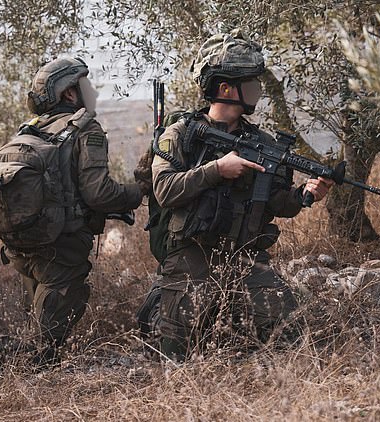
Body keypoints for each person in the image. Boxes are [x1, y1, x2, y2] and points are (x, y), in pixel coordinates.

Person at [0, 57, 151, 391]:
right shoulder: (85, 129)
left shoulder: (29, 131)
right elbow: (100, 193)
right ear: (69, 93)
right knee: (39, 350)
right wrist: (139, 190)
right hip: (61, 252)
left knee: (37, 338)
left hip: (23, 248)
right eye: (85, 84)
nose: (92, 91)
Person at [136, 30, 333, 361]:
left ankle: (230, 317)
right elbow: (166, 190)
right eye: (250, 82)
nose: (257, 90)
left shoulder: (261, 142)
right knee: (172, 349)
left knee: (291, 325)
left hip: (242, 255)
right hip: (192, 253)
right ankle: (164, 299)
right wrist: (217, 169)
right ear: (226, 89)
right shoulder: (181, 135)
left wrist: (304, 195)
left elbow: (275, 203)